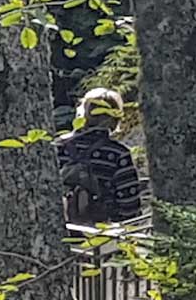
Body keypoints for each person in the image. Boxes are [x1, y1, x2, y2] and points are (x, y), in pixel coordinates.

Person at [58, 87, 142, 222]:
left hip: (62, 228)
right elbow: (130, 206)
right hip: (104, 233)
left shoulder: (59, 145)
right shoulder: (118, 153)